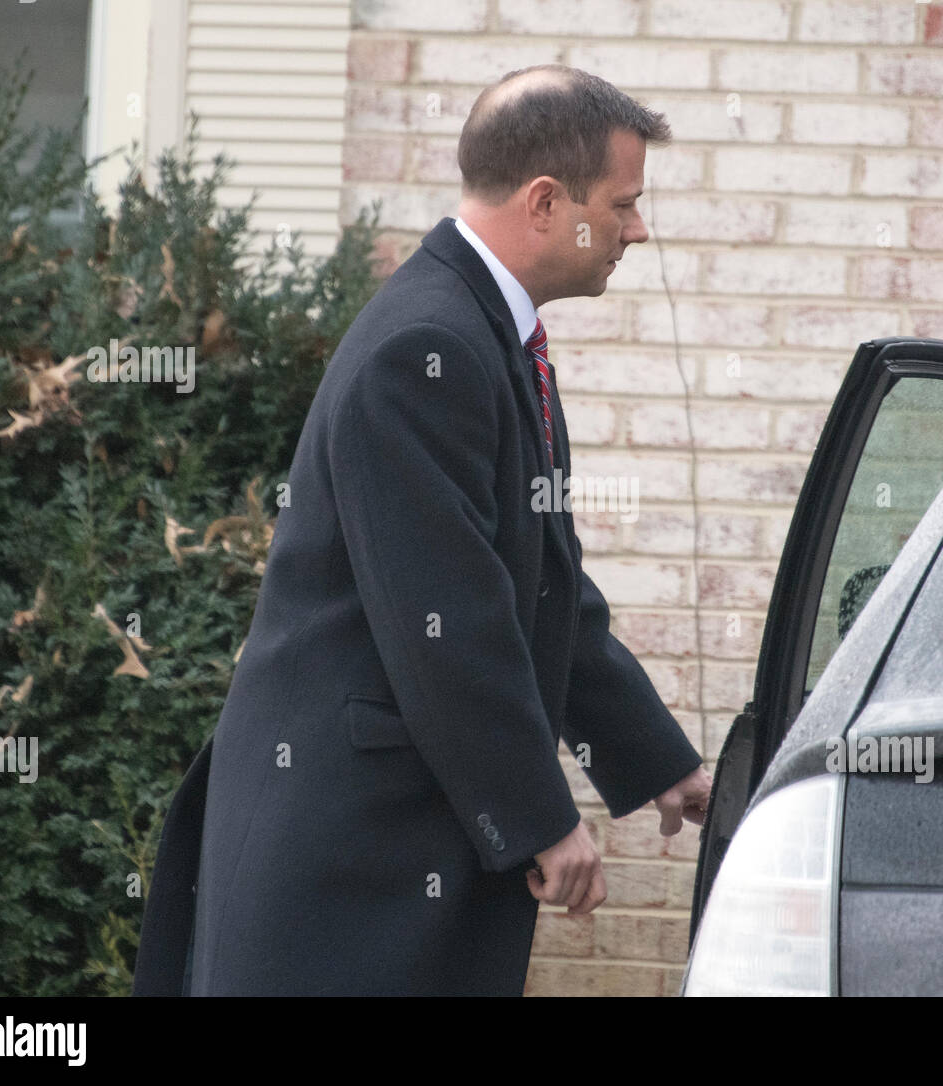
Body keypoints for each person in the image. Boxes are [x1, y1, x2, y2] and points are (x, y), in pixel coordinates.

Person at [132, 64, 711, 997]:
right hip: (347, 857)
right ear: (545, 202)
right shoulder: (428, 347)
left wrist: (654, 760)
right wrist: (541, 819)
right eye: (625, 204)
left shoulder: (485, 331)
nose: (638, 230)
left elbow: (542, 582)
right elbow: (449, 622)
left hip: (387, 840)